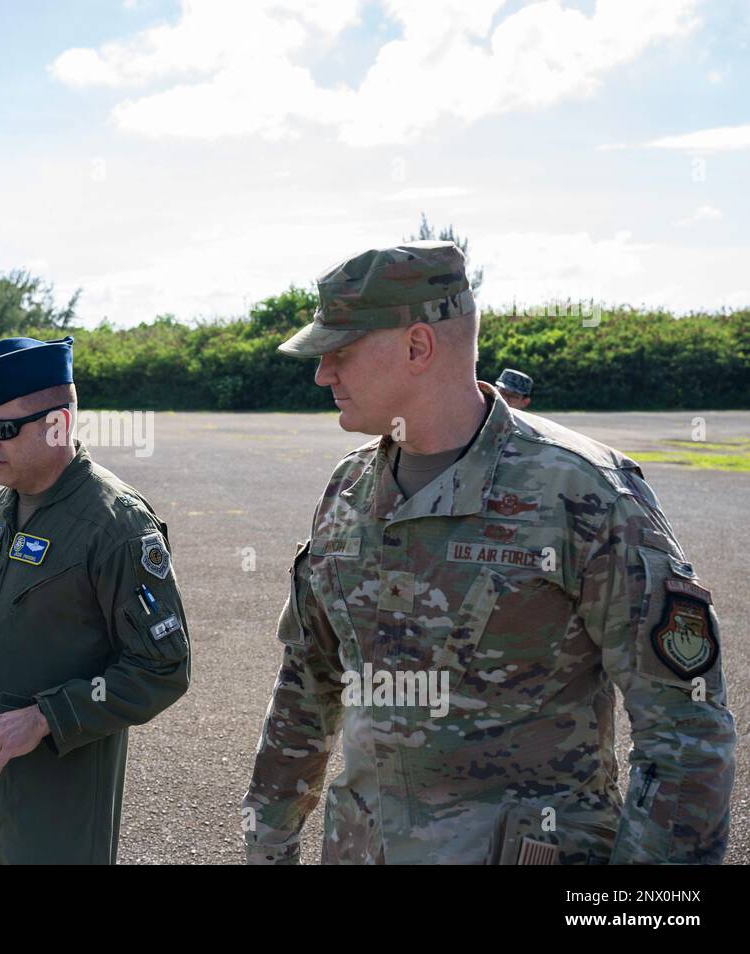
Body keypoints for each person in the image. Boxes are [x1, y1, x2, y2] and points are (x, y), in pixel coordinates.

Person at [242, 242, 734, 864]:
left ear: (418, 347)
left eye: (340, 352)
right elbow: (307, 683)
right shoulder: (348, 489)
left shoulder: (583, 492)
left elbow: (685, 733)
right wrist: (269, 843)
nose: (322, 374)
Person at [0, 336, 191, 863]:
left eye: (3, 429)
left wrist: (44, 717)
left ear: (58, 424)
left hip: (61, 801)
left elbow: (164, 667)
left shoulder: (116, 525)